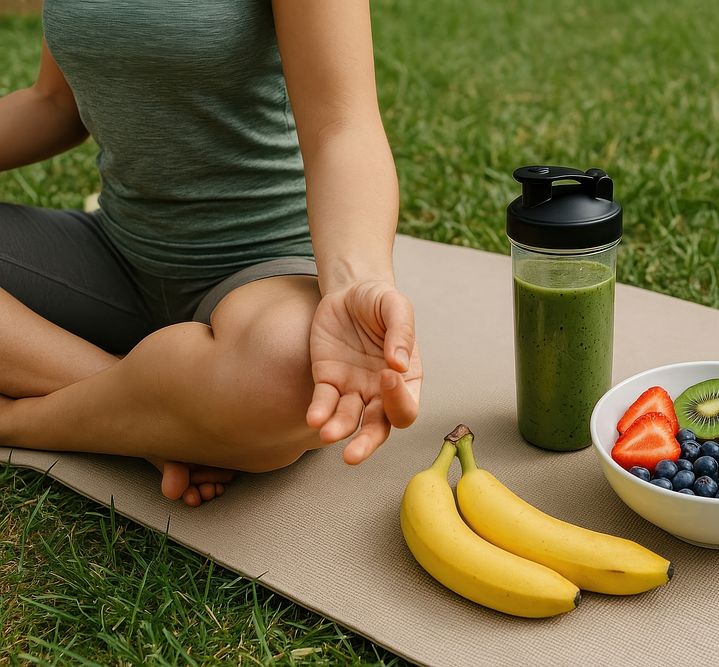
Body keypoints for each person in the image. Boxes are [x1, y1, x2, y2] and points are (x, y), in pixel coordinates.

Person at [0, 1, 423, 507]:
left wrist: (355, 282)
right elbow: (53, 103)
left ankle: (21, 421)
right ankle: (153, 415)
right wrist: (177, 420)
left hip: (263, 272)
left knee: (287, 376)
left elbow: (341, 124)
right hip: (115, 251)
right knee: (248, 396)